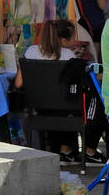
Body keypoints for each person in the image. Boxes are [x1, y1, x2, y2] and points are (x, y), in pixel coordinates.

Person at [14, 19, 102, 161]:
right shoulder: (68, 56)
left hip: (38, 108)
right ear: (62, 39)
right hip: (64, 109)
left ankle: (65, 150)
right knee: (93, 101)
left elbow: (18, 83)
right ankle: (82, 149)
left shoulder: (30, 52)